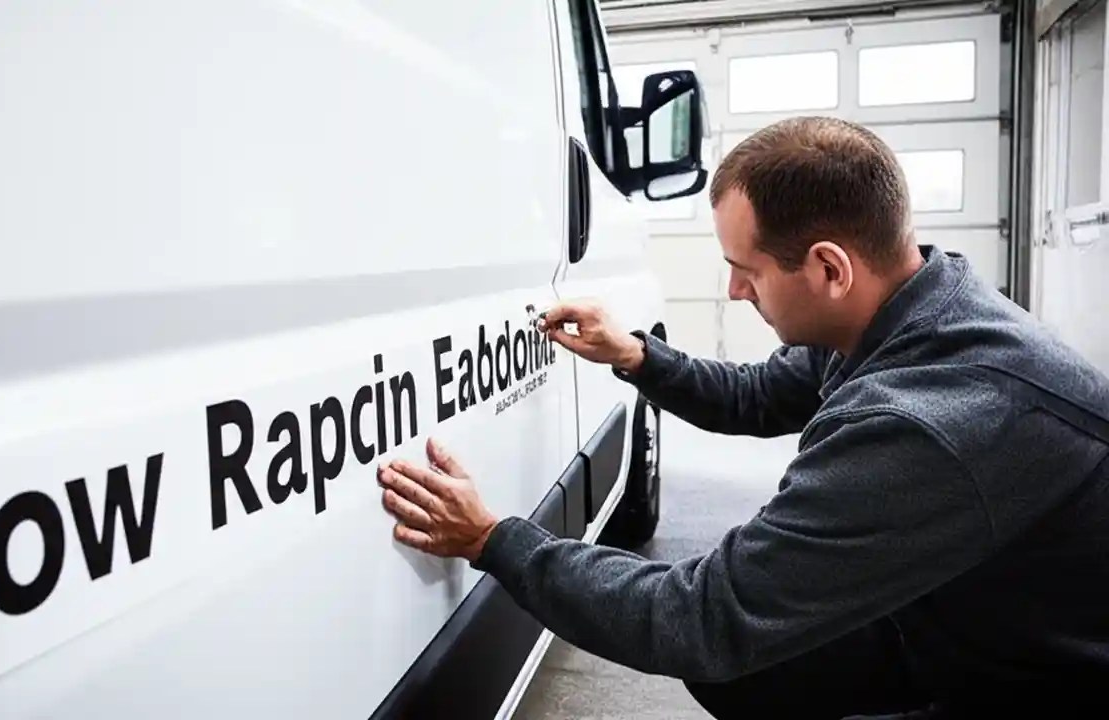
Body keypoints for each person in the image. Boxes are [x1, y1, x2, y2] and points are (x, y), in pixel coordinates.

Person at [375, 116, 1109, 717]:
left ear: (829, 269)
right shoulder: (913, 309)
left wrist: (493, 539)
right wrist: (632, 354)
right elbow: (756, 396)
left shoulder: (929, 419)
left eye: (747, 269)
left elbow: (699, 619)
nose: (730, 291)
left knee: (733, 649)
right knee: (753, 670)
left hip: (1041, 680)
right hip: (972, 614)